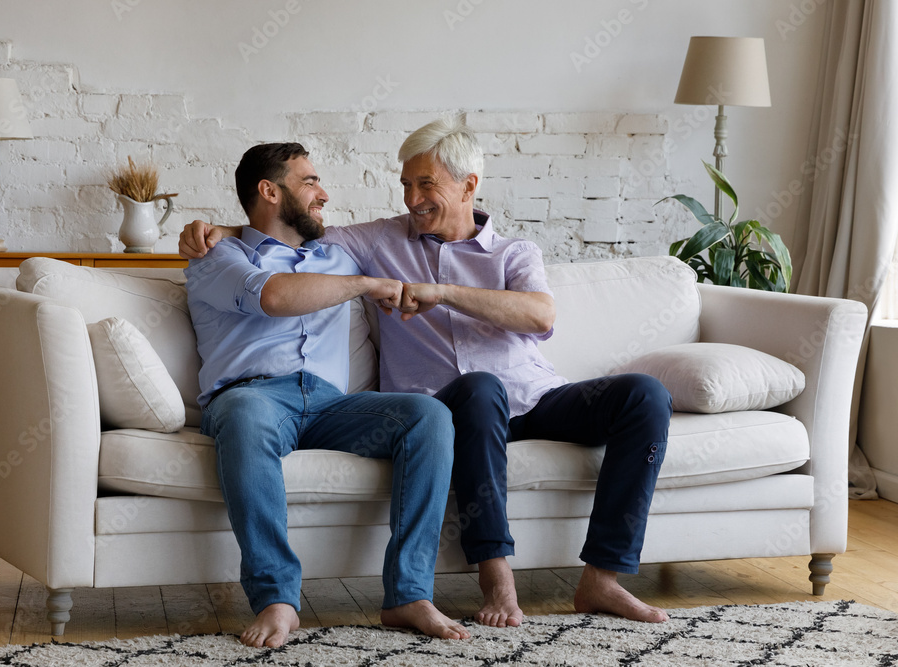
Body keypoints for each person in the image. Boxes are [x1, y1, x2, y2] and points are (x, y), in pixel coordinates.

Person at [180, 119, 673, 627]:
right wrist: (218, 230)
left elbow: (540, 315)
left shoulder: (511, 252)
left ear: (468, 185)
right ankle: (483, 582)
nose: (412, 199)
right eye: (406, 185)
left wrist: (443, 293)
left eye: (426, 185)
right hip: (417, 401)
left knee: (643, 396)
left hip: (516, 397)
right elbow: (280, 262)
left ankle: (591, 579)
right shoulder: (358, 245)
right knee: (473, 394)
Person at [185, 141, 470, 648]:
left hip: (330, 404)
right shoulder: (219, 258)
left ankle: (408, 593)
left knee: (428, 415)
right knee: (248, 415)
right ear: (269, 191)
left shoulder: (338, 253)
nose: (324, 193)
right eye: (310, 181)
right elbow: (273, 296)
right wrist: (362, 284)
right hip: (252, 397)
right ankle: (276, 598)